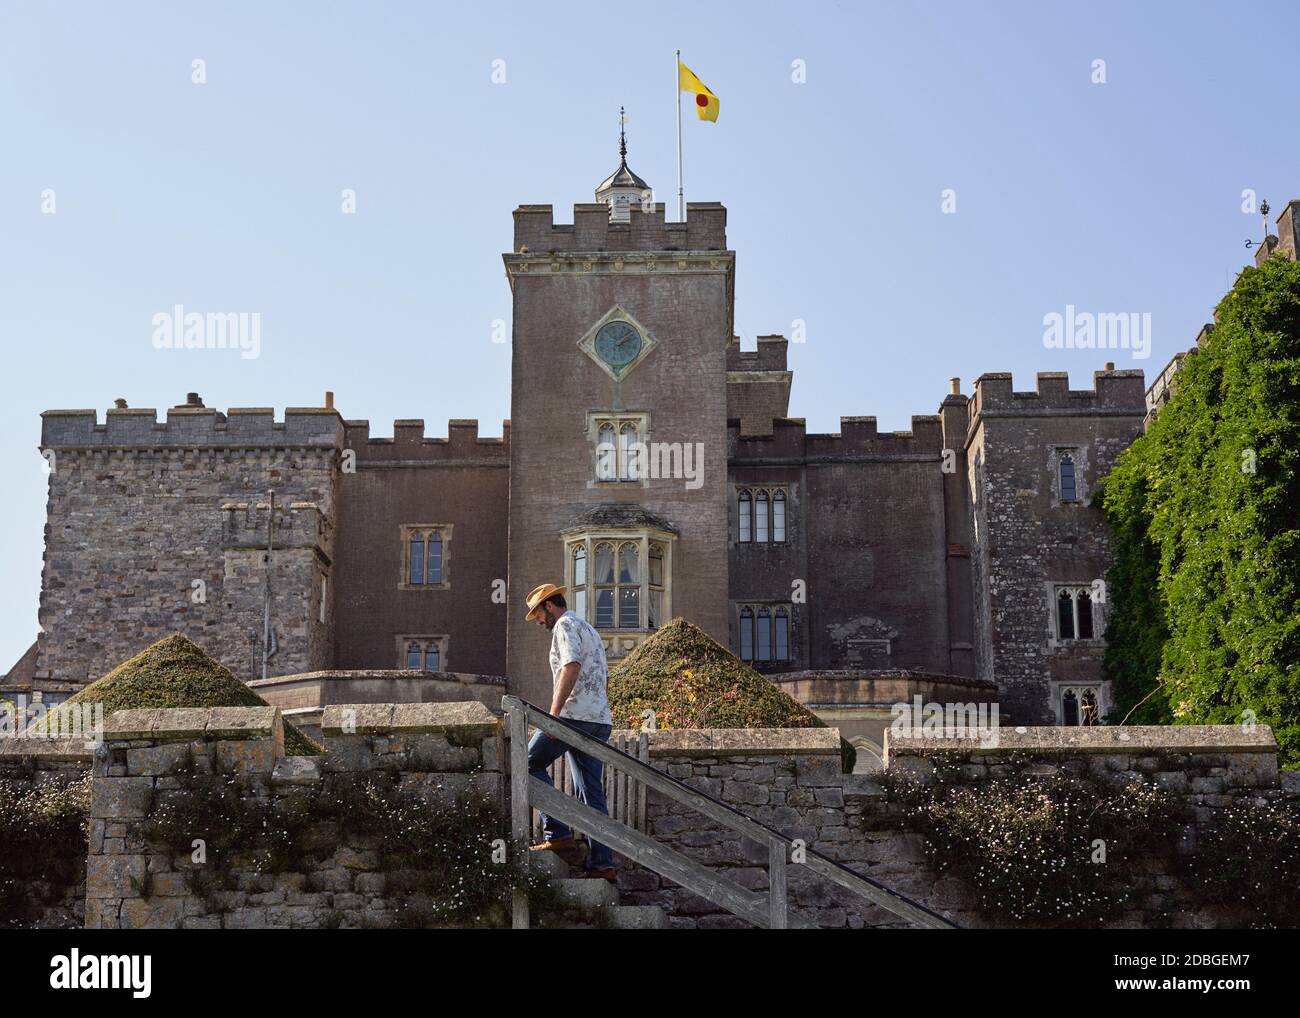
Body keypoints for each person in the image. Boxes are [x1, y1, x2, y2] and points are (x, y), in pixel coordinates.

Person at [523, 582, 616, 881]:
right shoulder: (588, 627)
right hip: (598, 718)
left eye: (537, 614)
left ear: (550, 606)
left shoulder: (563, 625)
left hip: (573, 717)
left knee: (526, 763)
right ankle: (603, 864)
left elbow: (571, 666)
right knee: (591, 793)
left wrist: (554, 713)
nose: (538, 622)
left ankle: (558, 832)